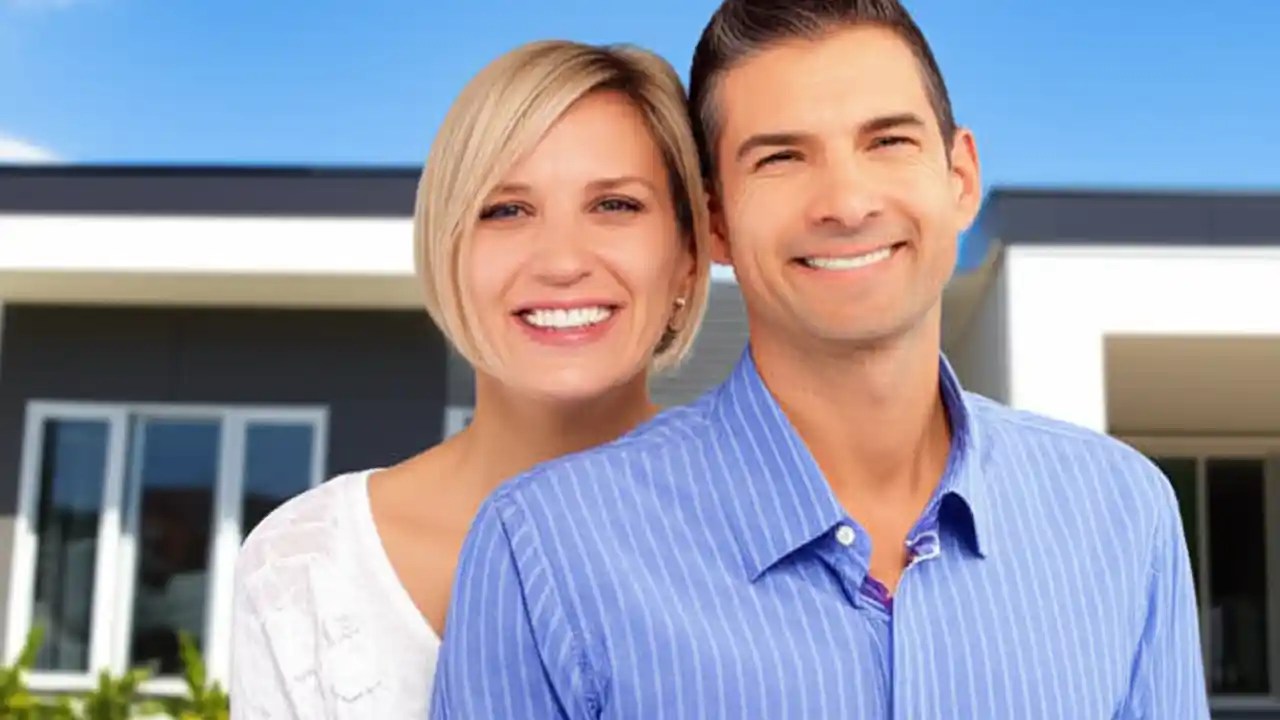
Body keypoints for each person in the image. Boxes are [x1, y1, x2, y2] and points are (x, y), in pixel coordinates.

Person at [429, 1, 1211, 718]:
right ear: (716, 220)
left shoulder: (1122, 514)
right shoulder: (544, 548)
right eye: (781, 158)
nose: (846, 203)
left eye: (888, 142)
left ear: (961, 179)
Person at [228, 39, 711, 718]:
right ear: (446, 248)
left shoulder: (787, 527)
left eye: (614, 205)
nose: (562, 262)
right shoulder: (303, 565)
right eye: (506, 210)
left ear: (688, 254)